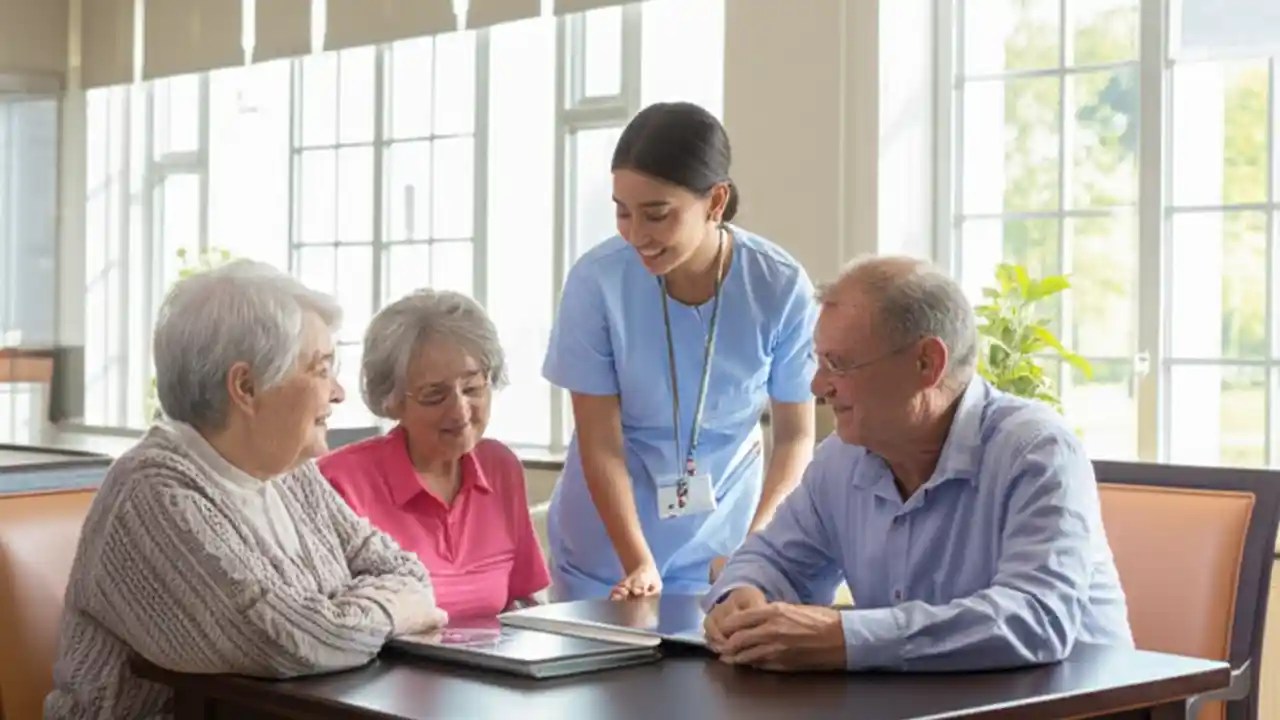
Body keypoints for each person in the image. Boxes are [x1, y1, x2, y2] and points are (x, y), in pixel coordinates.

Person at [45, 261, 448, 719]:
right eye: (320, 370)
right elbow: (280, 638)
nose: (337, 393)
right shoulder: (151, 494)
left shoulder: (288, 474)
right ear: (246, 386)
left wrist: (340, 618)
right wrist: (387, 613)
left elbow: (407, 575)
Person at [702, 256, 1134, 672]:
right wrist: (744, 596)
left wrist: (845, 637)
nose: (818, 387)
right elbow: (772, 558)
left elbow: (1036, 619)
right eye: (819, 361)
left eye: (839, 364)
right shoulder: (841, 458)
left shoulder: (1035, 450)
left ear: (927, 363)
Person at [542, 101, 819, 601]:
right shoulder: (596, 282)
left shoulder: (777, 285)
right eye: (622, 212)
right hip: (608, 552)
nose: (636, 234)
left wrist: (758, 544)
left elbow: (796, 436)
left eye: (656, 214)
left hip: (723, 546)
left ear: (715, 201)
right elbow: (599, 440)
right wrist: (638, 560)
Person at [319, 289, 551, 619]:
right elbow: (331, 624)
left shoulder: (500, 467)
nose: (460, 411)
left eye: (472, 388)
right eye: (433, 395)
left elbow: (522, 601)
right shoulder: (340, 483)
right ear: (394, 400)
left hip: (490, 669)